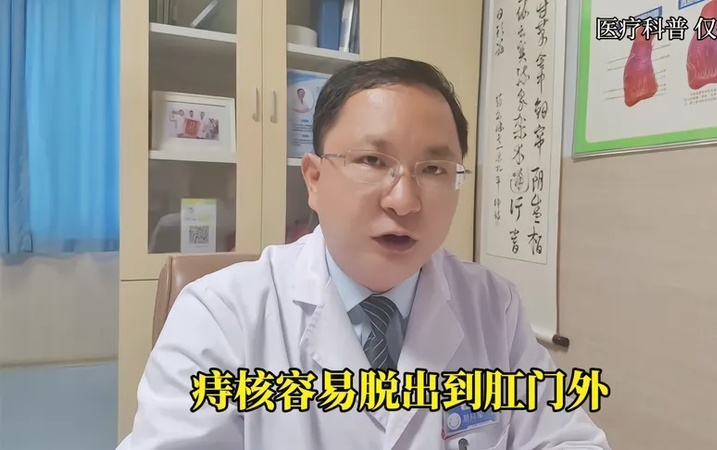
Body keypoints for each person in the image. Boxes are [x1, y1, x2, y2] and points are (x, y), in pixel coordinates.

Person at [116, 57, 611, 450]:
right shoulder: (222, 314)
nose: (404, 201)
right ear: (314, 179)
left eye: (435, 170)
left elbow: (564, 436)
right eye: (373, 160)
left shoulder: (493, 307)